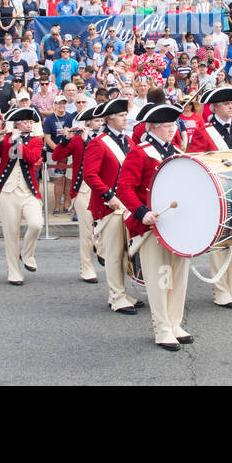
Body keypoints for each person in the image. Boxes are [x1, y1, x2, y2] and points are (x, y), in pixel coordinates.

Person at [116, 103, 193, 350]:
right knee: (161, 279)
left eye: (174, 126)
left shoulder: (177, 151)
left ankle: (175, 322)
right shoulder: (140, 152)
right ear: (154, 127)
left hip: (177, 224)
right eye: (168, 127)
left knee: (178, 276)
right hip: (151, 226)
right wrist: (142, 212)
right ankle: (162, 329)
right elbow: (124, 188)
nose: (172, 131)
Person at [187, 86, 232, 307]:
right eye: (227, 104)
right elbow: (195, 161)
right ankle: (221, 290)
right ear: (215, 107)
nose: (231, 107)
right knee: (220, 244)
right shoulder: (203, 131)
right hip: (215, 194)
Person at [83, 98, 140, 315]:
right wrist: (109, 195)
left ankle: (121, 293)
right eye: (122, 115)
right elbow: (90, 175)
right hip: (110, 206)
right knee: (115, 254)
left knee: (126, 253)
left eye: (126, 114)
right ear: (111, 118)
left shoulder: (128, 141)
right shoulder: (99, 142)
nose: (126, 118)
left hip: (127, 204)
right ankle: (117, 297)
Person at [0, 106, 44, 285]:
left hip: (28, 190)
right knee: (11, 233)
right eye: (25, 122)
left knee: (36, 223)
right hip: (7, 191)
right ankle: (13, 271)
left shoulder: (35, 140)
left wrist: (18, 143)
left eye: (30, 122)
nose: (29, 124)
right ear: (16, 124)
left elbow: (32, 158)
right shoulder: (5, 139)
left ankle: (27, 253)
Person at [52, 105, 97, 283]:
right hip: (83, 188)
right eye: (95, 120)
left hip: (105, 190)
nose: (98, 124)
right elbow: (57, 156)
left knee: (103, 229)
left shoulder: (106, 139)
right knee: (86, 230)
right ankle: (87, 268)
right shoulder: (78, 140)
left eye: (101, 120)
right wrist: (66, 139)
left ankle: (100, 249)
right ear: (87, 123)